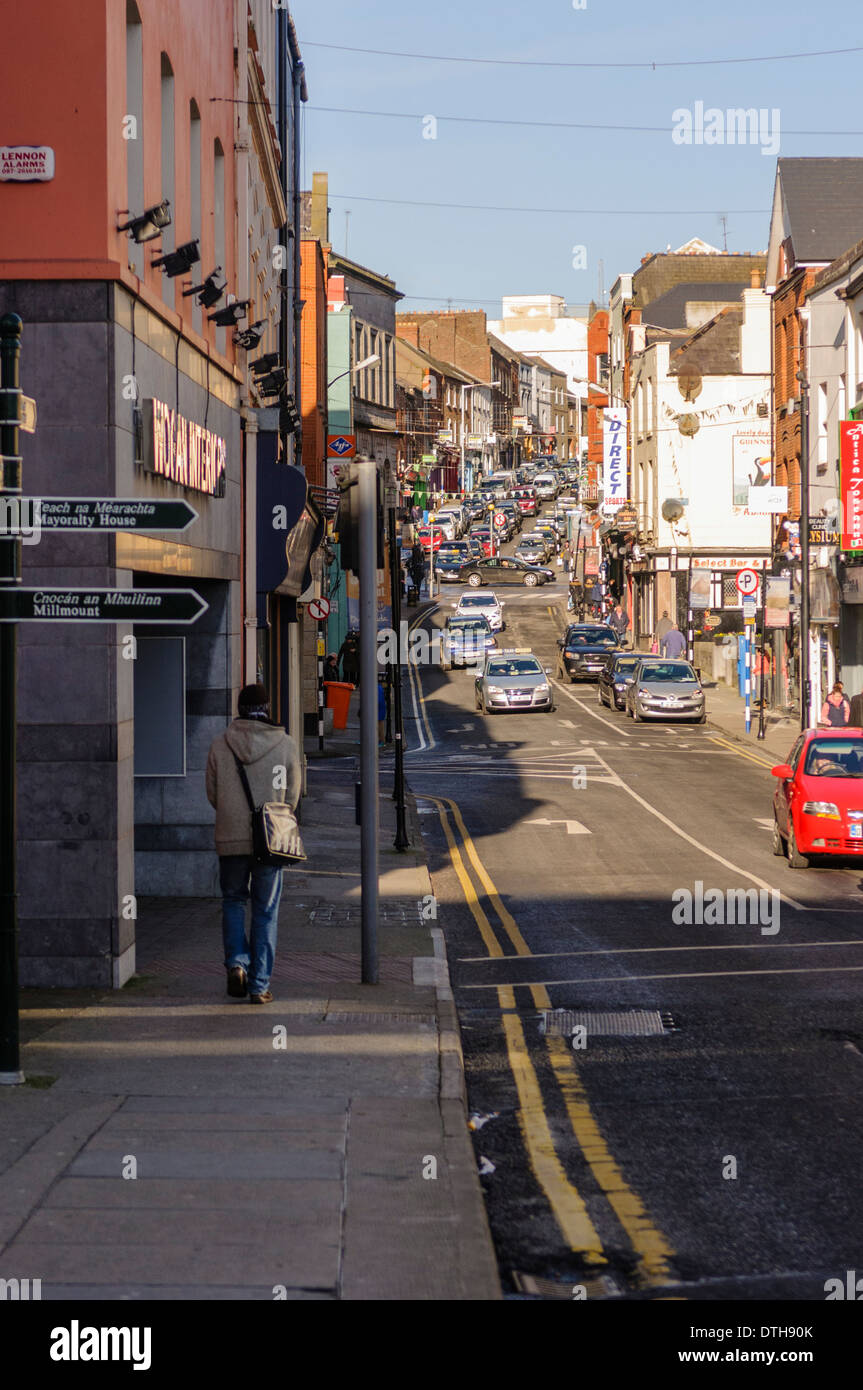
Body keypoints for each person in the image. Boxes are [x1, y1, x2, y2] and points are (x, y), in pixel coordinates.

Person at [205, 683, 301, 1005]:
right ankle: (259, 985)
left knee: (233, 901)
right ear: (268, 706)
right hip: (270, 841)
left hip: (230, 838)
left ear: (239, 708)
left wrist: (233, 815)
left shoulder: (221, 744)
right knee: (265, 910)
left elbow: (212, 793)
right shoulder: (285, 745)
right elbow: (292, 797)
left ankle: (236, 963)